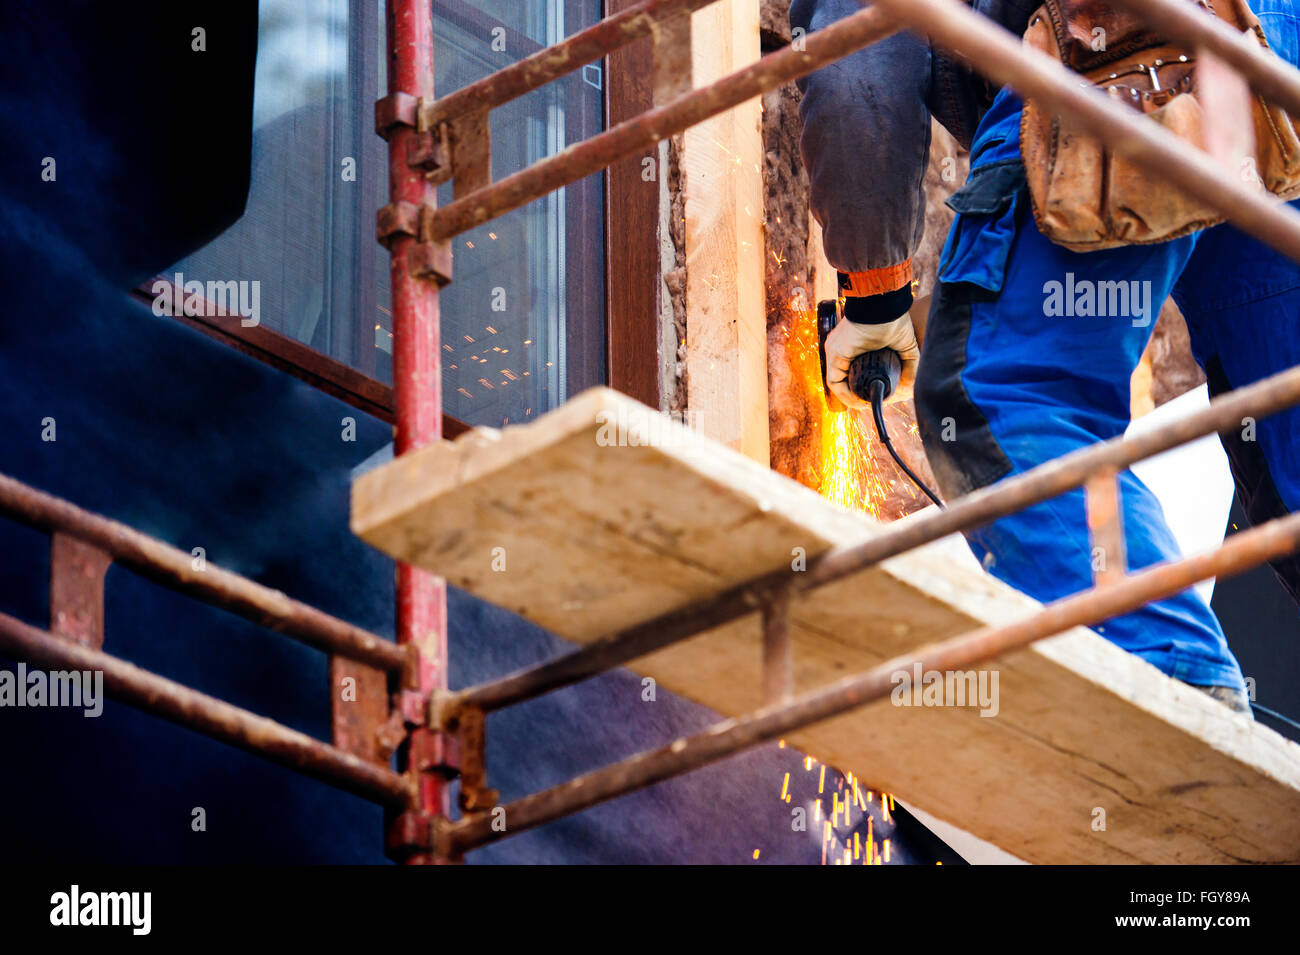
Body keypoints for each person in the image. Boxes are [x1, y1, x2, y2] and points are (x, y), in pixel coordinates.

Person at [793, 0, 1300, 715]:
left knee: (1012, 397)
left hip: (1127, 48)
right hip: (1279, 65)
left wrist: (875, 300)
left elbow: (859, 70)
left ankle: (1172, 683)